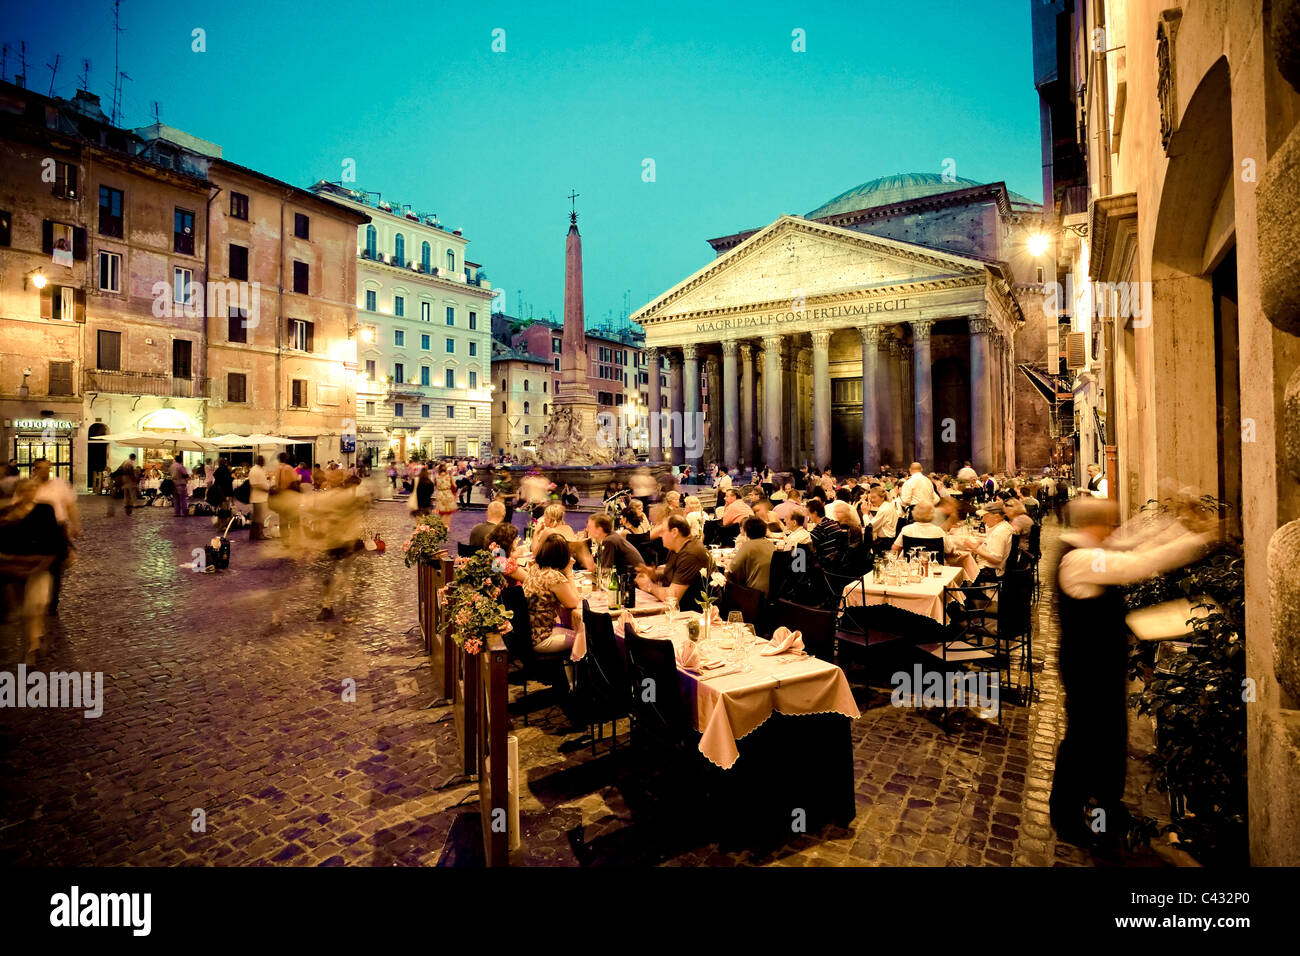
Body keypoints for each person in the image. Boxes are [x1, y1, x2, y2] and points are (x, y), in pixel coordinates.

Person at [1050, 497, 1218, 848]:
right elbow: (1139, 562)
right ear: (1093, 527)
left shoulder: (1092, 547)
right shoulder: (1081, 558)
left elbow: (1133, 541)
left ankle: (1107, 804)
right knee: (1084, 737)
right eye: (1109, 525)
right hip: (1086, 665)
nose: (1115, 531)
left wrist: (1176, 522)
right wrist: (1200, 537)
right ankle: (1066, 815)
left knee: (1110, 733)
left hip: (1102, 661)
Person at [0, 479, 66, 663]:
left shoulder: (45, 509)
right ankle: (35, 636)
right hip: (15, 569)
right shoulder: (8, 513)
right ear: (18, 492)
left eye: (32, 489)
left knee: (34, 607)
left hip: (39, 566)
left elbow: (55, 534)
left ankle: (32, 646)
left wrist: (59, 555)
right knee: (23, 611)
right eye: (25, 490)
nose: (29, 492)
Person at [508, 534, 583, 656]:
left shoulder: (535, 569)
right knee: (586, 638)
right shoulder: (554, 577)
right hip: (541, 638)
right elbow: (574, 602)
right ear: (564, 556)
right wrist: (569, 572)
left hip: (527, 635)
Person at [635, 514, 712, 613]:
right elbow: (673, 576)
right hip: (682, 609)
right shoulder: (675, 548)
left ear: (674, 532)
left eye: (663, 531)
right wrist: (653, 575)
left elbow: (672, 597)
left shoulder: (691, 553)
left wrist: (649, 586)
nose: (660, 535)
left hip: (697, 613)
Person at [31, 457, 78, 614]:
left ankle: (52, 601)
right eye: (41, 468)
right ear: (35, 469)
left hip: (58, 529)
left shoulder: (60, 485)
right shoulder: (29, 487)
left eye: (47, 468)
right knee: (38, 564)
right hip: (36, 530)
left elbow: (70, 505)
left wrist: (75, 525)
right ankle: (38, 596)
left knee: (56, 566)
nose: (45, 471)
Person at [969, 500, 1016, 582]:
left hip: (991, 571)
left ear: (996, 516)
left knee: (962, 573)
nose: (983, 520)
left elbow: (996, 558)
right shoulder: (1003, 526)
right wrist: (983, 540)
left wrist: (976, 549)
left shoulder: (999, 532)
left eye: (985, 516)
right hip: (992, 568)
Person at [728, 515, 775, 596]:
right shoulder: (770, 544)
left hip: (755, 593)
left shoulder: (748, 545)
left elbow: (733, 567)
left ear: (747, 532)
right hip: (772, 591)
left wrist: (728, 563)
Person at [806, 497, 847, 568]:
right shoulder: (833, 522)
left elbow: (808, 546)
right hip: (838, 560)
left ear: (815, 513)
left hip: (825, 562)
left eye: (809, 514)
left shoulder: (819, 529)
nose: (808, 517)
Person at [866, 486, 900, 555]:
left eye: (874, 497)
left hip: (884, 542)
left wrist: (865, 514)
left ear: (882, 498)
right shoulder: (888, 505)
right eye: (870, 498)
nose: (871, 500)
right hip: (889, 540)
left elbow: (869, 527)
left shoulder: (883, 509)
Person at [248, 455, 272, 540]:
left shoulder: (259, 469)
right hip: (258, 498)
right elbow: (255, 485)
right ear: (258, 461)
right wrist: (267, 489)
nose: (263, 462)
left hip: (260, 497)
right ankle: (259, 534)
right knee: (259, 518)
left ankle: (254, 535)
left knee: (257, 518)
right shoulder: (255, 470)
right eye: (262, 460)